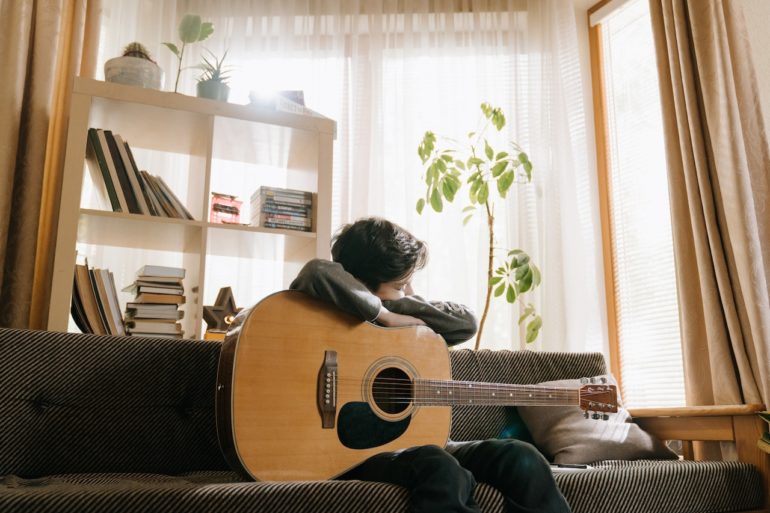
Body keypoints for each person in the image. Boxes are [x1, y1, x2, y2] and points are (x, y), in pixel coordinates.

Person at [290, 217, 571, 513]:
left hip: (422, 445)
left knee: (520, 456)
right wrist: (382, 313)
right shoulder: (329, 310)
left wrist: (394, 304)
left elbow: (466, 322)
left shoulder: (410, 325)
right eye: (401, 284)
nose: (410, 291)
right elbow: (317, 270)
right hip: (353, 453)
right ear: (361, 284)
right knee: (441, 468)